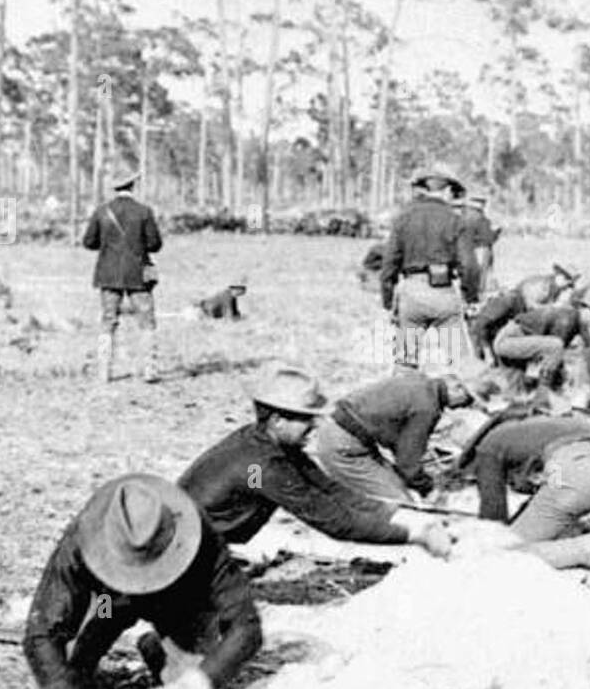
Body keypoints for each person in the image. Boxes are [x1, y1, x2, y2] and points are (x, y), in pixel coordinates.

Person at [23, 474, 261, 689]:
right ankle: (95, 662)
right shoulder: (83, 540)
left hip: (175, 606)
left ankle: (158, 648)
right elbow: (41, 632)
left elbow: (247, 625)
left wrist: (189, 687)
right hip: (108, 603)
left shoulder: (199, 537)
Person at [178, 366, 453, 558]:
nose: (314, 425)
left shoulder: (263, 446)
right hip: (183, 544)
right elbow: (335, 523)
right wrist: (415, 535)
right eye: (305, 418)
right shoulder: (264, 466)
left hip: (197, 531)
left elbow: (329, 489)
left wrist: (394, 513)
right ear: (278, 420)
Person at [457, 412, 590, 587]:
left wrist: (483, 539)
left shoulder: (488, 446)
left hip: (578, 476)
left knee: (501, 552)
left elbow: (493, 520)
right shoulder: (567, 424)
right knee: (570, 486)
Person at [314, 368, 477, 504]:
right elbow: (408, 460)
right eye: (466, 400)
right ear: (457, 387)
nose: (461, 407)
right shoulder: (427, 407)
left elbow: (396, 436)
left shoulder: (419, 381)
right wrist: (428, 488)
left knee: (398, 484)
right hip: (342, 447)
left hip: (344, 435)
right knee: (402, 503)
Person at [380, 170, 480, 369]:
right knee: (460, 364)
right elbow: (469, 265)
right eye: (453, 194)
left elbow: (389, 264)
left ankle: (405, 395)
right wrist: (470, 298)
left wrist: (388, 300)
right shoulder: (456, 219)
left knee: (406, 363)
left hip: (411, 294)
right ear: (447, 191)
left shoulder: (403, 218)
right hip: (444, 294)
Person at [82, 164, 163, 383]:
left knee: (108, 321)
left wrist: (108, 245)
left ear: (114, 188)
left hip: (108, 274)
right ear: (133, 185)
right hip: (138, 273)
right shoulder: (144, 211)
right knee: (146, 321)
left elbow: (89, 242)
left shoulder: (102, 211)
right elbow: (155, 244)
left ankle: (103, 372)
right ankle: (150, 369)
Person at [493, 299, 590, 390]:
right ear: (585, 309)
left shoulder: (580, 322)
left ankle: (539, 392)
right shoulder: (567, 318)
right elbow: (554, 351)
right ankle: (543, 394)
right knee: (556, 346)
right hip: (509, 340)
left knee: (516, 393)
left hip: (521, 344)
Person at [460, 193, 499, 295]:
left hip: (462, 251)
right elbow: (487, 239)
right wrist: (496, 233)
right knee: (481, 281)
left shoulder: (461, 217)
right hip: (478, 252)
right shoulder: (481, 219)